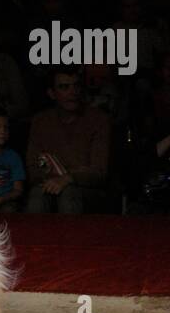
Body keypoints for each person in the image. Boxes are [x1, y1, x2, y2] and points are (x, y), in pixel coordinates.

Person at [24, 67, 111, 213]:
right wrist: (59, 178)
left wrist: (68, 178)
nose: (73, 92)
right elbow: (33, 169)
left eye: (76, 86)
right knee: (37, 196)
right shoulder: (41, 121)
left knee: (68, 194)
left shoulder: (98, 119)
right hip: (50, 185)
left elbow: (99, 172)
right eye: (64, 87)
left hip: (87, 191)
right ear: (52, 93)